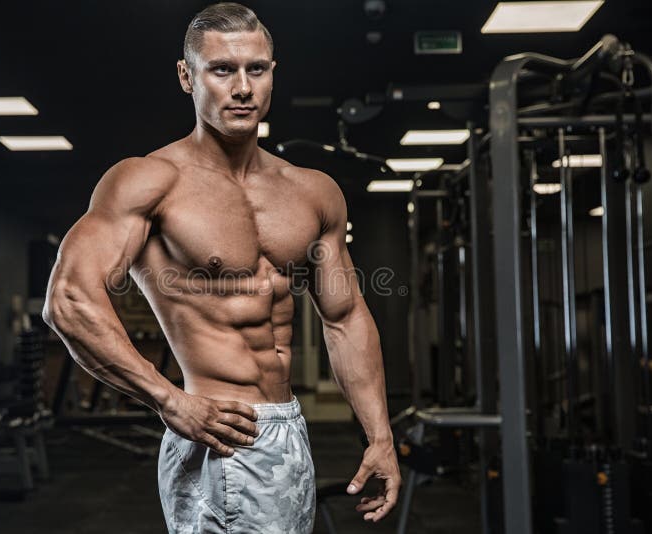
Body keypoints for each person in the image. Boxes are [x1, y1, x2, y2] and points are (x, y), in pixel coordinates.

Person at [42, 3, 401, 532]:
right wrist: (169, 400)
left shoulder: (312, 191)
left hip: (289, 430)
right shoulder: (150, 182)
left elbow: (344, 318)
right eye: (222, 70)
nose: (243, 88)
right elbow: (69, 300)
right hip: (218, 431)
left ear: (273, 73)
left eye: (256, 69)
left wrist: (380, 435)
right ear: (187, 76)